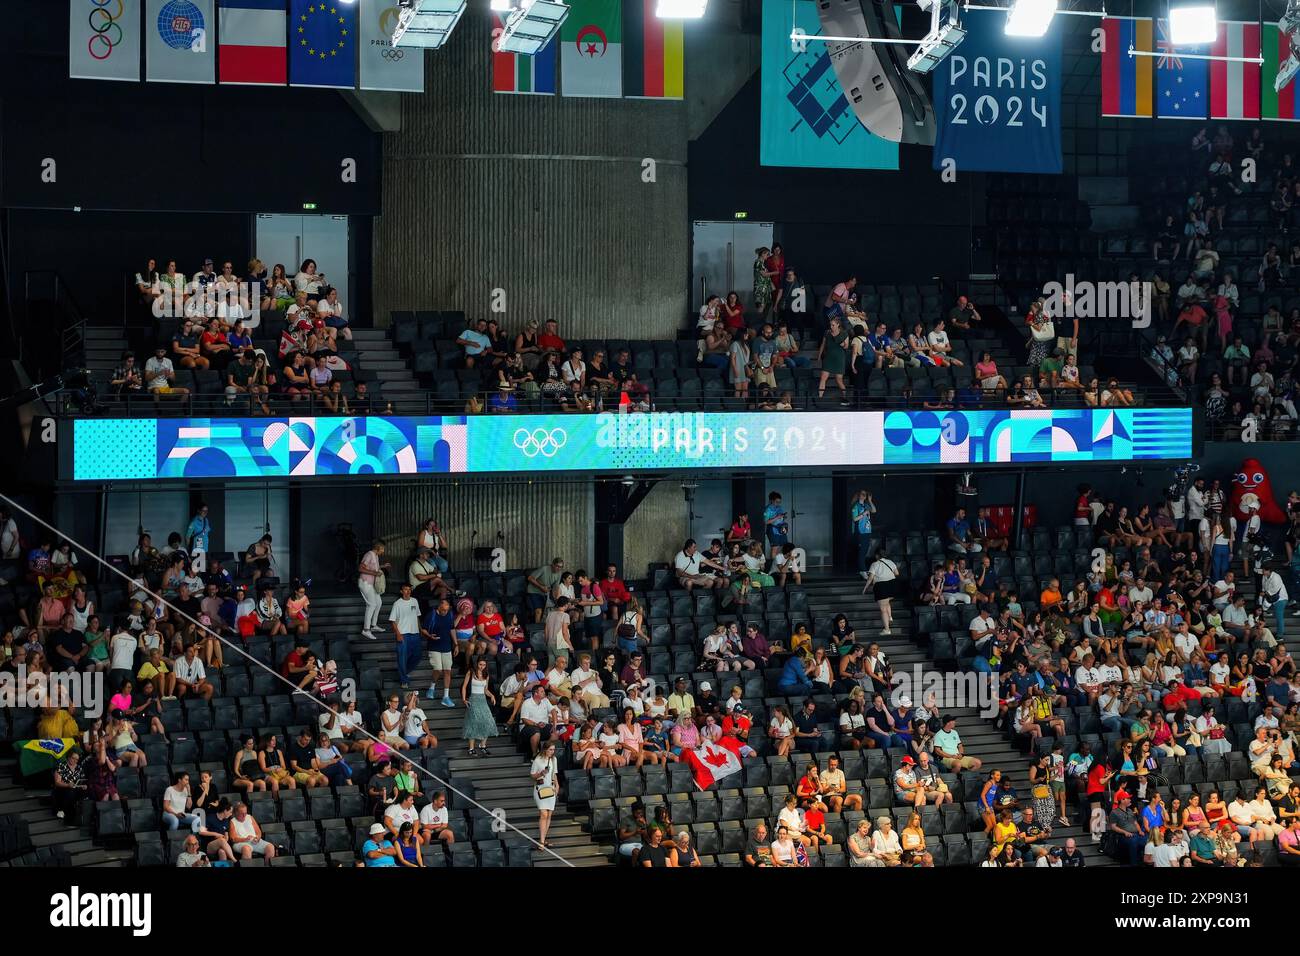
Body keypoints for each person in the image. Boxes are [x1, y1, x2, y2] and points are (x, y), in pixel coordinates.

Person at [358, 539, 390, 639]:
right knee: (371, 604)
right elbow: (361, 568)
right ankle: (366, 630)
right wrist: (375, 573)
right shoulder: (369, 554)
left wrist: (382, 566)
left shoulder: (375, 555)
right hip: (365, 583)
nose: (383, 551)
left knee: (378, 602)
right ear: (378, 548)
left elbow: (372, 567)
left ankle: (373, 626)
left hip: (371, 584)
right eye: (382, 549)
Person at [531, 741, 559, 848]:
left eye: (553, 750)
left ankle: (543, 839)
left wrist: (557, 785)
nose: (552, 752)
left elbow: (554, 774)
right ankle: (542, 842)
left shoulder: (554, 759)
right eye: (550, 749)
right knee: (544, 814)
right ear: (545, 749)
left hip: (550, 788)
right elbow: (532, 776)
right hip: (540, 789)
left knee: (549, 815)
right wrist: (540, 773)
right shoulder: (538, 760)